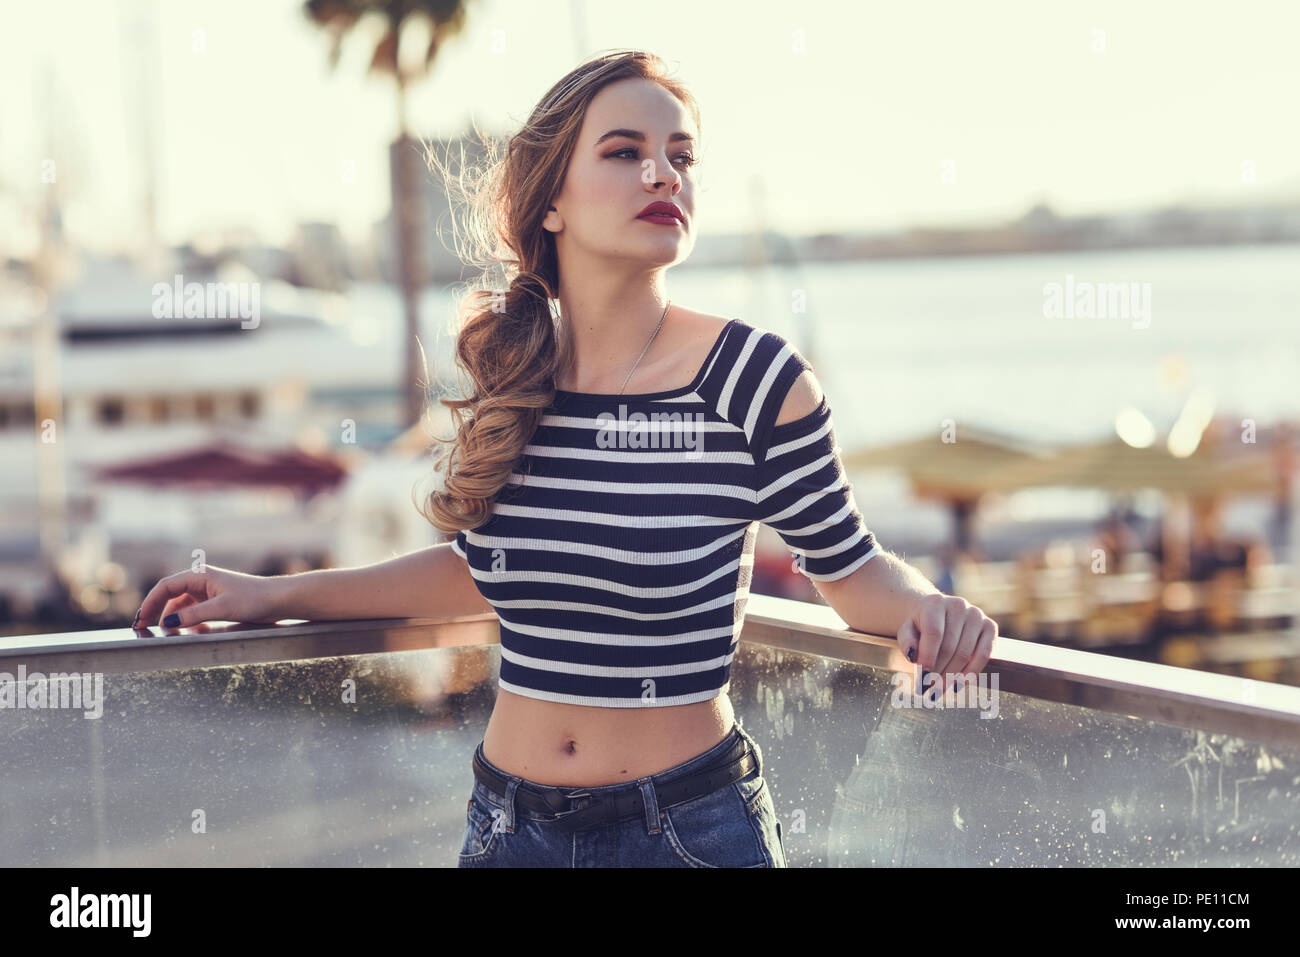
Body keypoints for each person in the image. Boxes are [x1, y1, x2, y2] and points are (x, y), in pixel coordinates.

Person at [133, 50, 999, 867]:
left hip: (689, 827)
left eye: (680, 155)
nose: (664, 175)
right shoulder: (520, 375)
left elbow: (849, 571)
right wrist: (273, 596)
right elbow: (479, 573)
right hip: (511, 823)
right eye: (625, 152)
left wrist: (934, 608)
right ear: (552, 202)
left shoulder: (757, 378)